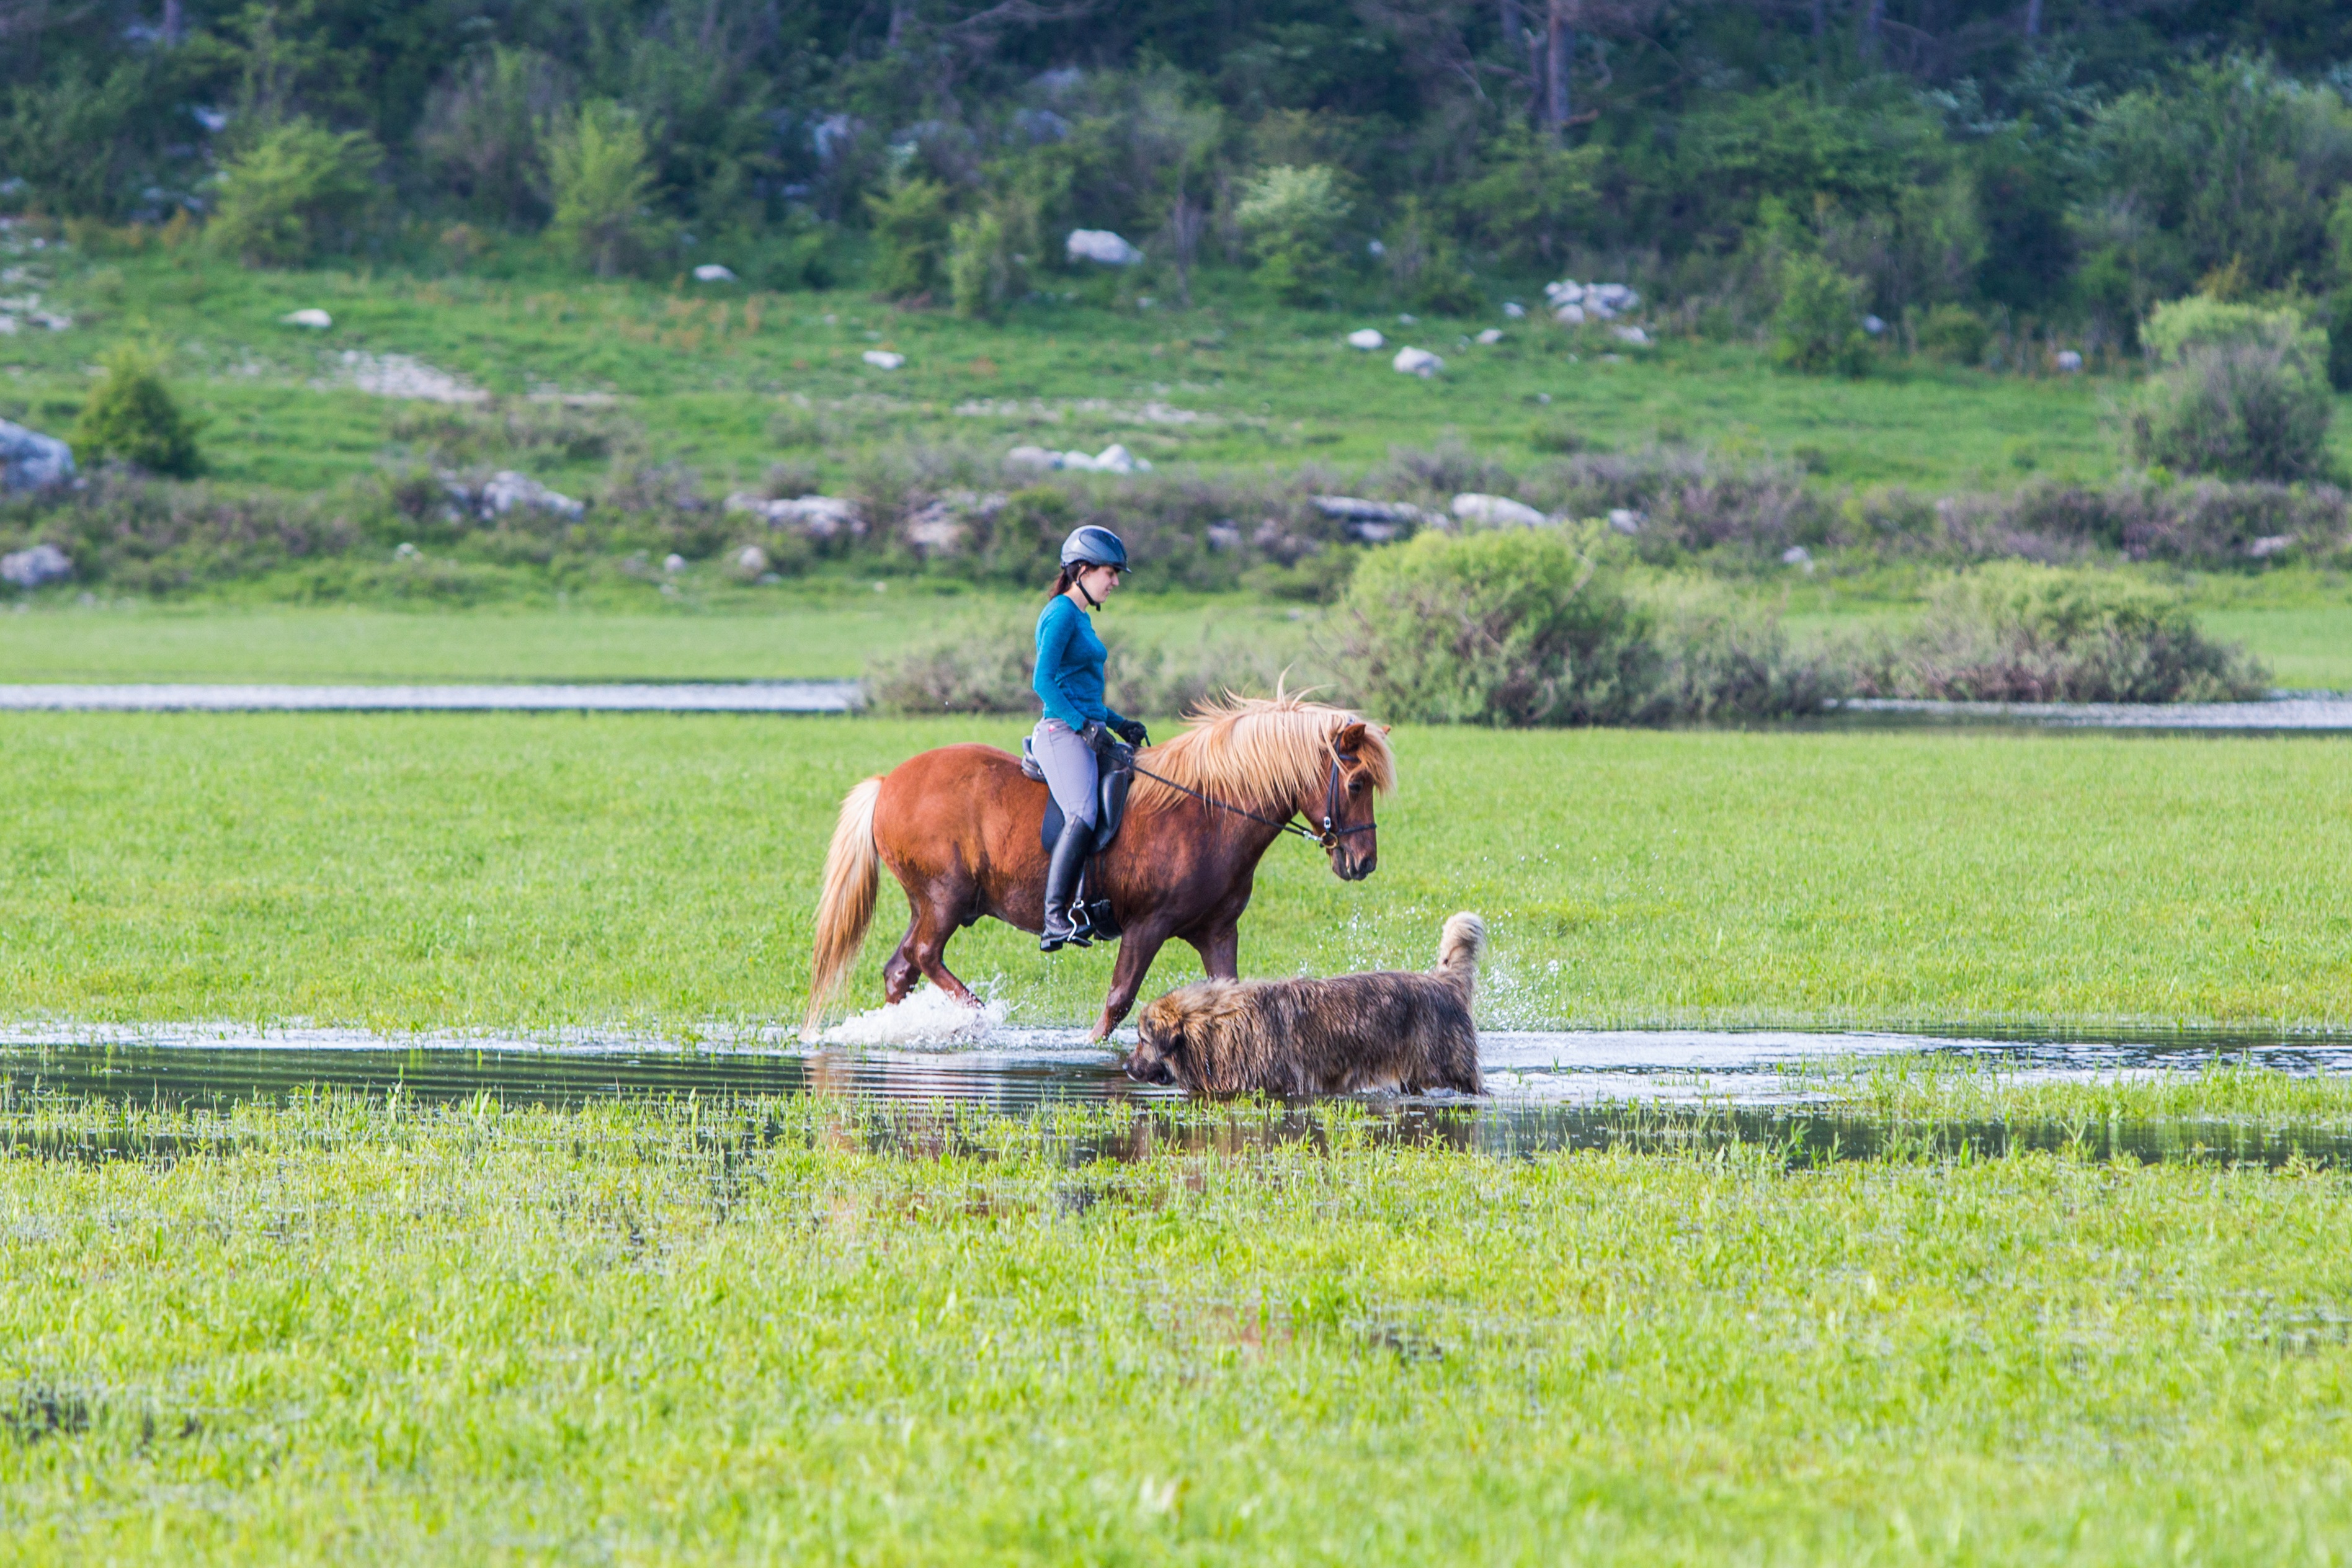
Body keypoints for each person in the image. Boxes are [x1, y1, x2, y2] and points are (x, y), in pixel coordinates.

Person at [1031, 525, 1149, 951]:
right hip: (1062, 732)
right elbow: (1043, 682)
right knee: (1082, 810)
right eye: (1110, 573)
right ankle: (1054, 917)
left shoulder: (1079, 616)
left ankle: (1096, 901)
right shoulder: (1061, 613)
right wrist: (1082, 725)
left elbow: (1083, 691)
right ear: (1082, 570)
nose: (1115, 582)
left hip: (1086, 727)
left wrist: (1119, 724)